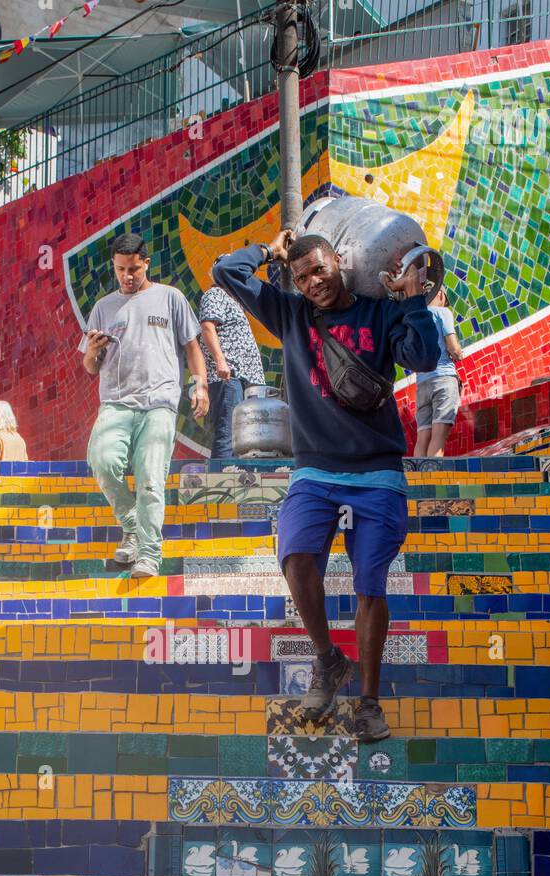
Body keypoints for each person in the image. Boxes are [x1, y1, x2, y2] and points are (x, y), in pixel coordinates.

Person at [213, 229, 439, 741]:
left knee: (369, 585)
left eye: (319, 269)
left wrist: (414, 297)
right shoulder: (290, 314)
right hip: (314, 470)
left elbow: (424, 358)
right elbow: (225, 273)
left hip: (377, 470)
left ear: (339, 260)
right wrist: (270, 250)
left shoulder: (381, 313)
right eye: (301, 277)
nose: (312, 282)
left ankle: (369, 702)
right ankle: (327, 658)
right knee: (294, 556)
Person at [79, 232, 209, 578]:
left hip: (159, 403)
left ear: (146, 263)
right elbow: (91, 367)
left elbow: (192, 346)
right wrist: (92, 352)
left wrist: (200, 385)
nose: (128, 276)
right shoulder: (103, 308)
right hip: (116, 403)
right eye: (121, 269)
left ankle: (149, 552)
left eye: (134, 268)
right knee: (102, 461)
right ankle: (133, 525)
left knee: (151, 478)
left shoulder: (171, 298)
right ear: (113, 265)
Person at [198, 273, 265, 458]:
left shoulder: (235, 300)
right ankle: (222, 481)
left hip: (244, 378)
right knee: (228, 432)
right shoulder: (216, 294)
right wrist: (221, 361)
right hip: (229, 375)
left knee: (243, 436)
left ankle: (236, 479)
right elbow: (207, 327)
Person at [414, 287, 464, 458]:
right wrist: (458, 354)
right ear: (441, 294)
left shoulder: (416, 316)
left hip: (422, 383)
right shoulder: (442, 313)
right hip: (443, 378)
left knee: (422, 438)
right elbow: (453, 348)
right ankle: (433, 482)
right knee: (438, 439)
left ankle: (418, 482)